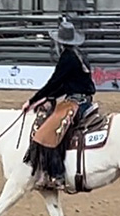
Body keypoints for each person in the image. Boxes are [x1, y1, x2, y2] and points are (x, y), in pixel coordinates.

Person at [20, 18, 97, 190]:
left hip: (76, 102)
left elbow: (54, 82)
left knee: (47, 131)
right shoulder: (79, 55)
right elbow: (64, 85)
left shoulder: (67, 58)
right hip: (83, 99)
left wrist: (32, 101)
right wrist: (48, 97)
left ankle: (57, 174)